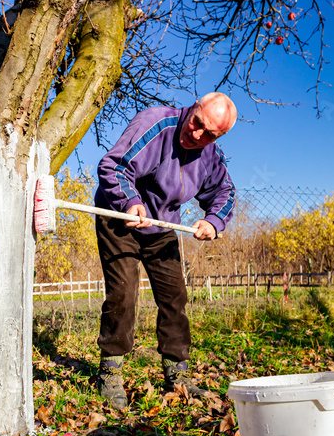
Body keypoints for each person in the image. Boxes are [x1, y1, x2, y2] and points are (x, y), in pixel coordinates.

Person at [94, 92, 238, 408]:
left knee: (174, 296)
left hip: (162, 228)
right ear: (195, 107)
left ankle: (177, 371)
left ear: (219, 136)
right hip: (121, 218)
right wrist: (130, 201)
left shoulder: (209, 155)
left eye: (209, 134)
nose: (197, 134)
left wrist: (213, 221)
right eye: (198, 123)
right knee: (124, 292)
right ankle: (111, 371)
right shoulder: (156, 123)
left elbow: (224, 192)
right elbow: (114, 165)